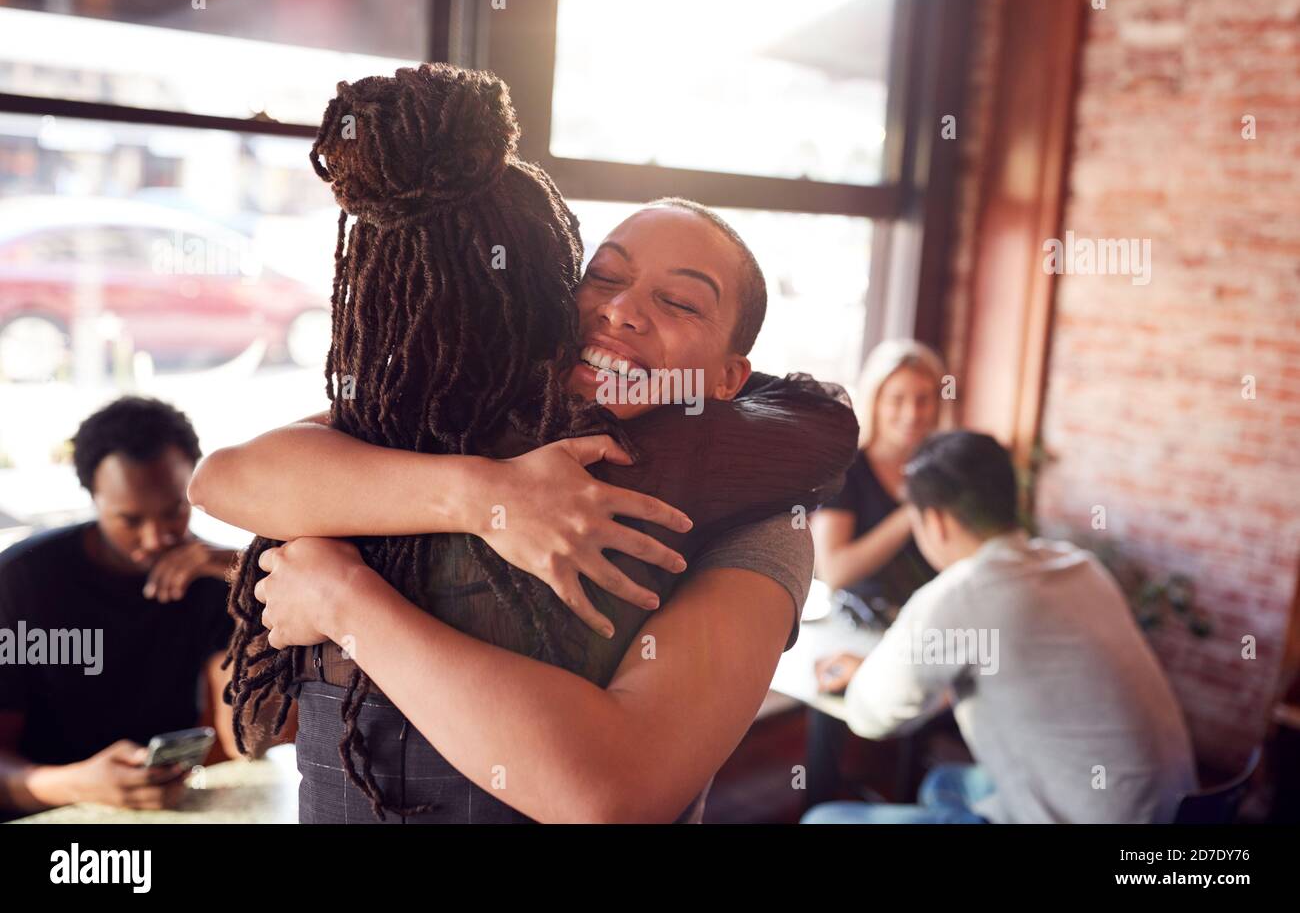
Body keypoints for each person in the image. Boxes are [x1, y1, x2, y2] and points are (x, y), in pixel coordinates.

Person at [190, 63, 857, 823]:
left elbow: (614, 792)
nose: (622, 310)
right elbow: (227, 481)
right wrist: (490, 495)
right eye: (603, 278)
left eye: (678, 301)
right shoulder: (464, 413)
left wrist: (346, 603)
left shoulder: (763, 523)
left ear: (732, 375)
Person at [804, 431, 1198, 823]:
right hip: (1174, 811)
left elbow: (870, 716)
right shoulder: (1080, 566)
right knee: (943, 784)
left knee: (822, 820)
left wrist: (869, 672)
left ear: (935, 522)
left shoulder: (959, 596)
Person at [0, 397, 244, 818]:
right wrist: (75, 783)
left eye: (175, 511)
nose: (156, 539)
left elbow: (247, 739)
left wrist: (245, 574)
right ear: (92, 497)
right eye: (130, 520)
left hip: (170, 807)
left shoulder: (211, 576)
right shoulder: (22, 580)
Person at [811, 339, 946, 622]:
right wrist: (911, 512)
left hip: (930, 622)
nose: (911, 414)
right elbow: (833, 571)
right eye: (897, 400)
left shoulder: (945, 468)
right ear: (876, 402)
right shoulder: (846, 469)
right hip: (861, 623)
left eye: (923, 399)